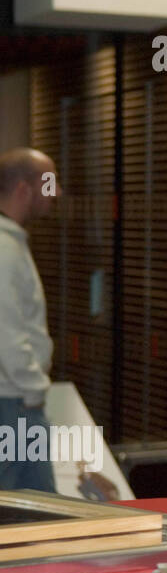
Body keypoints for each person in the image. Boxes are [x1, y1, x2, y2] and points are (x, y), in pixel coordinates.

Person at [0, 148, 59, 492]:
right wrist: (33, 390)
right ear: (24, 189)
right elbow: (7, 333)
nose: (57, 191)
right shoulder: (5, 250)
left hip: (15, 400)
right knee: (28, 513)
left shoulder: (12, 244)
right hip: (15, 403)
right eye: (49, 183)